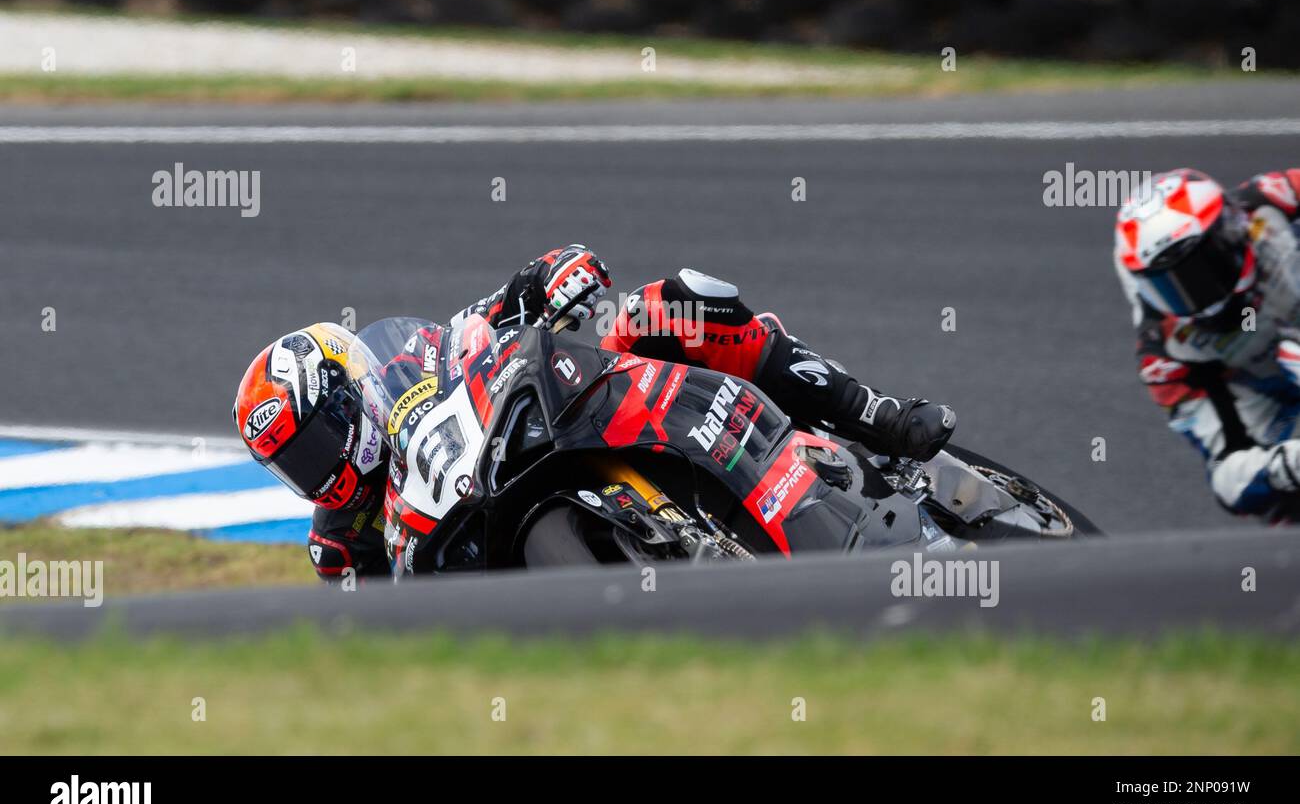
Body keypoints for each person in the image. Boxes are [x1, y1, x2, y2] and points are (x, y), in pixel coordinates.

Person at [234, 245, 956, 579]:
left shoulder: (411, 358)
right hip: (482, 548)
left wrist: (555, 275)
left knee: (668, 306)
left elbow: (495, 310)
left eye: (319, 435)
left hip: (533, 431)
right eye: (297, 463)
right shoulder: (339, 543)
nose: (322, 466)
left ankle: (875, 414)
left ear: (349, 388)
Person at [1114, 167, 1300, 518]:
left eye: (1203, 267)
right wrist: (1287, 465)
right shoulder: (1165, 356)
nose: (1197, 291)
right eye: (1171, 285)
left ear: (1229, 230)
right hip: (1279, 415)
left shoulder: (1273, 199)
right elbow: (1227, 479)